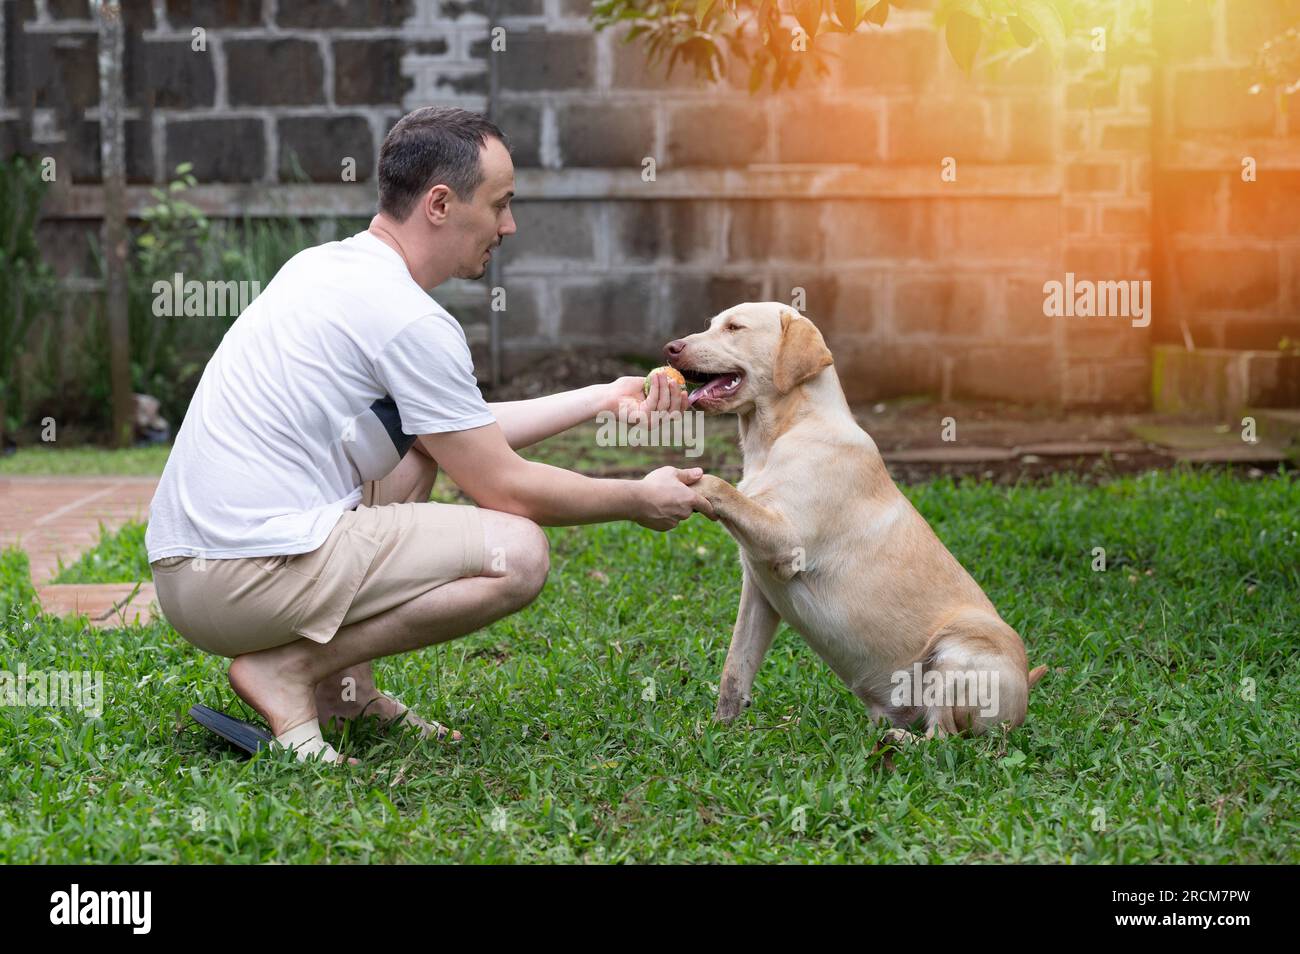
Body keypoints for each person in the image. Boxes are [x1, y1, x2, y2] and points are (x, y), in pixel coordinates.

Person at [146, 106, 712, 764]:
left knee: (413, 460)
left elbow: (454, 429)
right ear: (441, 203)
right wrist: (637, 500)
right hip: (246, 576)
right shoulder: (409, 319)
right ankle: (291, 670)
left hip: (190, 573)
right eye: (500, 205)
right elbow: (503, 485)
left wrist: (600, 397)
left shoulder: (327, 267)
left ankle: (344, 691)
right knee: (517, 554)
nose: (509, 225)